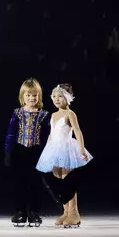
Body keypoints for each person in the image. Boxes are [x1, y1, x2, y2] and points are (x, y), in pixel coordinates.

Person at [36, 84, 93, 227]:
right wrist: (47, 150)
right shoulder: (54, 115)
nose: (56, 99)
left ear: (67, 98)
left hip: (67, 147)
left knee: (67, 181)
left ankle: (74, 213)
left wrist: (81, 149)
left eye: (60, 96)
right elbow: (51, 134)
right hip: (54, 149)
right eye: (54, 96)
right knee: (58, 181)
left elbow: (77, 131)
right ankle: (66, 212)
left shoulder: (70, 114)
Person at [4, 78, 51, 227]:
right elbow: (11, 134)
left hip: (37, 151)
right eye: (28, 95)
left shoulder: (43, 115)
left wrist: (48, 154)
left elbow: (47, 135)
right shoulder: (17, 113)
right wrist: (7, 152)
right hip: (20, 151)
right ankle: (20, 212)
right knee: (20, 183)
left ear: (39, 96)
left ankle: (34, 213)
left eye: (34, 95)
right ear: (22, 96)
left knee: (36, 183)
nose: (31, 98)